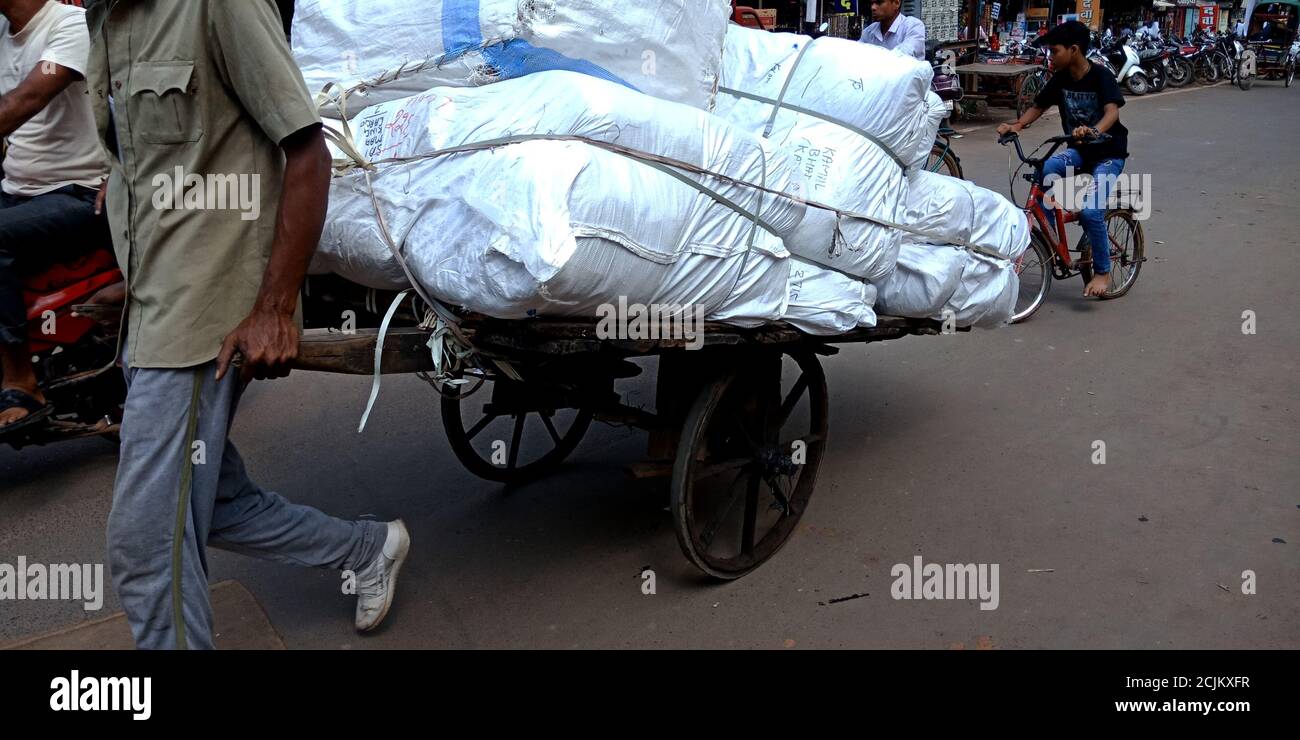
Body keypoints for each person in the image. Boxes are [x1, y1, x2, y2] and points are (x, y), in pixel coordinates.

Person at [85, 0, 409, 649]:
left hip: (205, 318)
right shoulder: (105, 18)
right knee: (212, 502)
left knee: (149, 551)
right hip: (152, 308)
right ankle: (367, 548)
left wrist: (271, 310)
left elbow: (306, 152)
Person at [0, 0, 110, 434]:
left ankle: (20, 382)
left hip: (80, 192)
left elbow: (27, 98)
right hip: (18, 191)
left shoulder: (70, 25)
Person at [996, 20, 1130, 298]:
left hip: (1108, 154)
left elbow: (1112, 113)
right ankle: (1050, 237)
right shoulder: (1059, 79)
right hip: (1079, 151)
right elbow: (1038, 106)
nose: (1051, 57)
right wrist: (1017, 126)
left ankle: (1103, 272)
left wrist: (1094, 131)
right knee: (1045, 169)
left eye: (1054, 51)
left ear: (1074, 49)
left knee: (1092, 212)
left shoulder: (1101, 76)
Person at [859, 0, 926, 60]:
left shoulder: (913, 26)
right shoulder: (869, 31)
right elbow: (857, 55)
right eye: (871, 3)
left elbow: (903, 56)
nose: (873, 7)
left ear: (896, 3)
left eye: (879, 2)